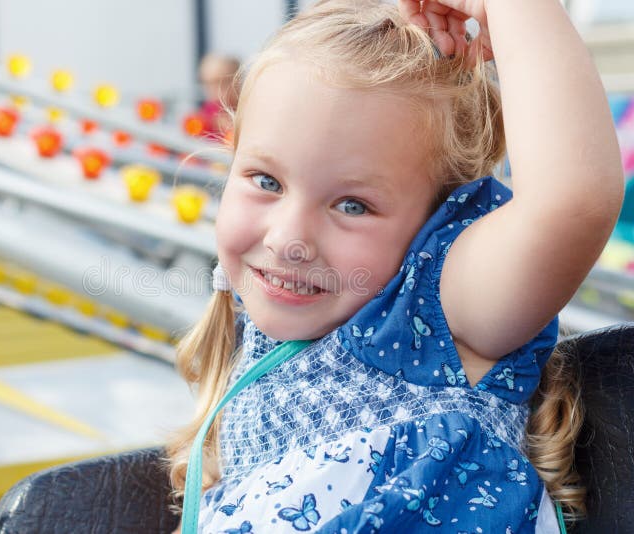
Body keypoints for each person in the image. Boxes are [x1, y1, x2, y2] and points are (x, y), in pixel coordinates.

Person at [167, 0, 624, 532]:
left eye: (352, 206)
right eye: (266, 181)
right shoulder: (257, 342)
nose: (288, 239)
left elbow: (572, 201)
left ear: (439, 225)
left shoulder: (429, 315)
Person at [196, 53, 241, 140]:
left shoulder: (249, 112)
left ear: (237, 80)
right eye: (208, 84)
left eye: (222, 82)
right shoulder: (203, 118)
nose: (214, 90)